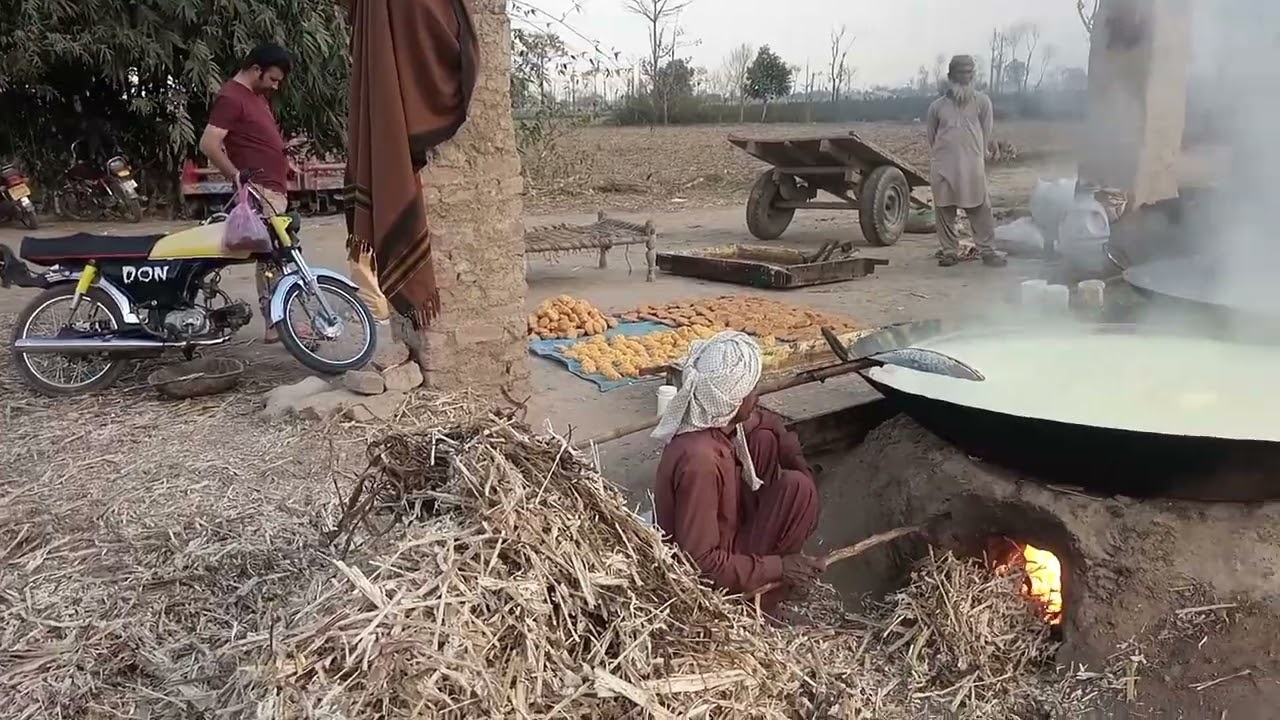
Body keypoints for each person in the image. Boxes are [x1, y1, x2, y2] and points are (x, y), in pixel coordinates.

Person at [652, 331, 823, 613]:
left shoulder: (715, 420)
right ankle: (759, 605)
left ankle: (772, 577)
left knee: (766, 441)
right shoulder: (701, 461)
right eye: (753, 390)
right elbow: (701, 565)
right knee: (799, 492)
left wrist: (798, 462)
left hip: (725, 540)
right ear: (733, 401)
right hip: (709, 579)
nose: (758, 396)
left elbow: (768, 422)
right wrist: (780, 567)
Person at [200, 43, 298, 343]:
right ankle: (276, 325)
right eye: (273, 79)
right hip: (260, 191)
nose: (275, 86)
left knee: (277, 255)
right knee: (271, 258)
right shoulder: (232, 97)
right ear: (256, 69)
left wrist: (283, 157)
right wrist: (237, 178)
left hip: (273, 187)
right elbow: (209, 143)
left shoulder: (255, 98)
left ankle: (279, 322)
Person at [926, 55, 1007, 268]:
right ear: (951, 76)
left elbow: (986, 132)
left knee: (981, 208)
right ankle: (950, 251)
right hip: (944, 165)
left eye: (970, 73)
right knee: (944, 210)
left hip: (972, 165)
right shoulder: (937, 107)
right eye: (962, 72)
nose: (966, 77)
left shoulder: (982, 102)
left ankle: (987, 251)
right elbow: (932, 136)